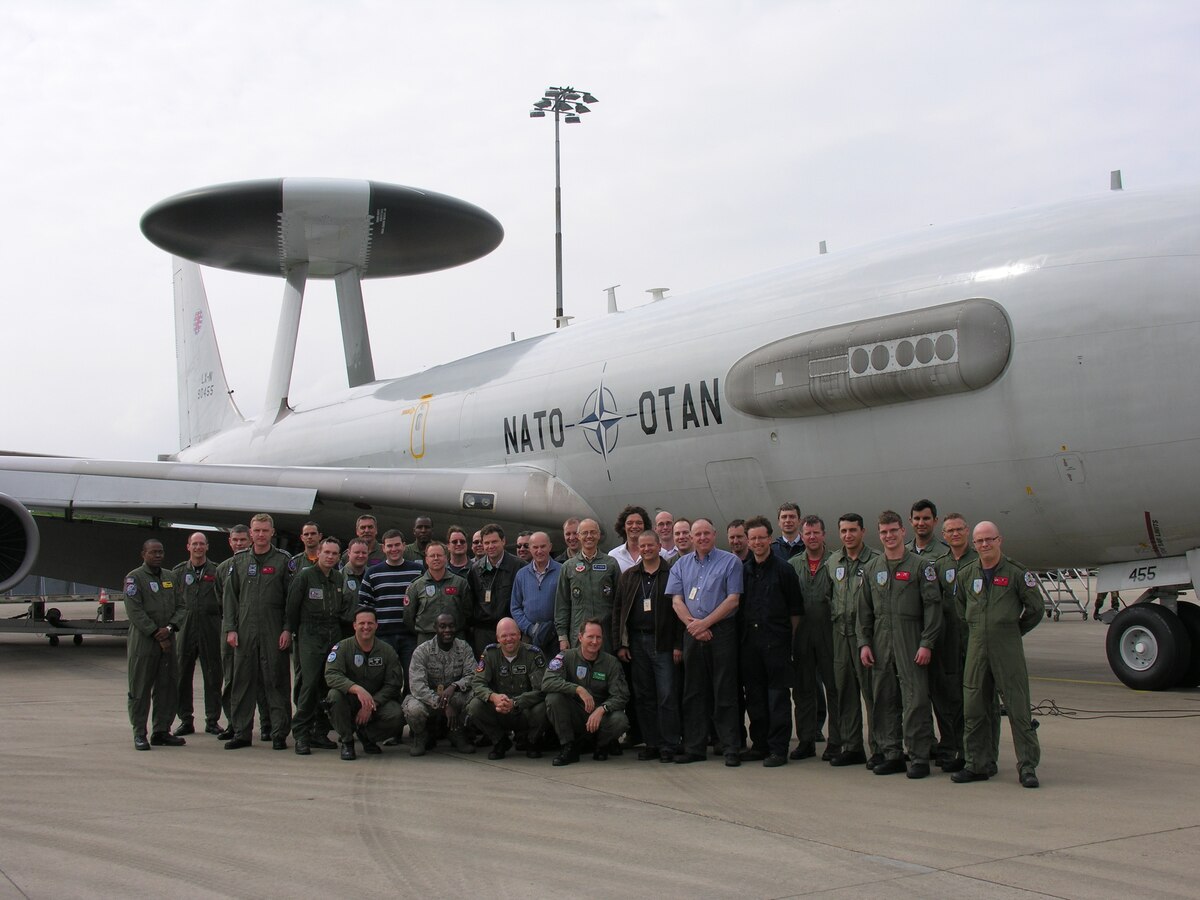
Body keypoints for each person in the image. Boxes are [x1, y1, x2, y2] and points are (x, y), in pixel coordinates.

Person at [952, 522, 1044, 788]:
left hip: (1007, 650)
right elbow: (961, 609)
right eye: (979, 541)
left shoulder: (1016, 573)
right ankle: (976, 764)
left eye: (988, 540)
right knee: (974, 708)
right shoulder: (968, 574)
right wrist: (981, 629)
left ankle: (1027, 766)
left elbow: (1035, 609)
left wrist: (1011, 631)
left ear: (999, 540)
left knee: (1017, 708)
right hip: (977, 649)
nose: (984, 545)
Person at [858, 511, 943, 777]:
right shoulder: (872, 568)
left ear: (903, 531)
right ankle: (892, 753)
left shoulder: (920, 567)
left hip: (911, 639)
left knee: (915, 699)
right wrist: (864, 643)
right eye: (884, 532)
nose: (889, 536)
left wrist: (926, 642)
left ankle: (918, 756)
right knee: (884, 698)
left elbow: (933, 607)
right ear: (879, 534)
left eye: (893, 531)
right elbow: (864, 611)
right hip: (882, 641)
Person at [668, 518, 744, 766]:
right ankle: (695, 747)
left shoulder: (730, 562)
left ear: (714, 534)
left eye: (706, 533)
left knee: (725, 690)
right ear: (691, 537)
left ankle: (730, 746)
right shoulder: (681, 565)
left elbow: (733, 600)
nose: (702, 538)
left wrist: (706, 623)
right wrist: (694, 625)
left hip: (721, 632)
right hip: (692, 632)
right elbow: (676, 601)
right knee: (694, 692)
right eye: (697, 534)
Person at [222, 513, 294, 750]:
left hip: (274, 629)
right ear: (250, 533)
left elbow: (290, 601)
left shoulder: (283, 561)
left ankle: (278, 733)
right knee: (242, 682)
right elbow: (230, 598)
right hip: (244, 630)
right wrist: (230, 629)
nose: (261, 534)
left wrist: (287, 629)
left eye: (265, 530)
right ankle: (241, 732)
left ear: (272, 532)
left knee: (276, 681)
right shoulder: (239, 561)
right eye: (257, 530)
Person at [738, 517, 802, 767]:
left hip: (776, 643)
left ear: (769, 538)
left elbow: (795, 611)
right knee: (754, 697)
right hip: (751, 644)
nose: (757, 542)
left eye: (761, 538)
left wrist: (787, 639)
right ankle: (760, 744)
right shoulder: (743, 571)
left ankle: (778, 748)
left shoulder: (784, 570)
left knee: (777, 698)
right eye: (752, 538)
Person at [615, 530, 682, 762]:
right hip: (636, 642)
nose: (645, 549)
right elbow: (619, 611)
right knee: (644, 696)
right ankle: (651, 742)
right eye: (642, 546)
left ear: (658, 546)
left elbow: (679, 612)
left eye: (650, 545)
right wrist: (621, 644)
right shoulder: (630, 576)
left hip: (662, 642)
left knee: (666, 695)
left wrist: (677, 644)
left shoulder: (672, 573)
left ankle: (669, 744)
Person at [287, 538, 353, 754]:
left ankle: (320, 732)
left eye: (335, 554)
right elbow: (292, 608)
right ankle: (302, 734)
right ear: (319, 553)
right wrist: (291, 631)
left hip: (332, 633)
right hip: (310, 633)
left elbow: (343, 608)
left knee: (329, 684)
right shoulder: (305, 576)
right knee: (309, 684)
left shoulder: (338, 578)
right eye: (327, 552)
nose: (331, 557)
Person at [825, 514, 880, 768]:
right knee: (845, 692)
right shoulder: (833, 560)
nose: (848, 535)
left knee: (873, 693)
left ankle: (880, 747)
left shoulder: (875, 560)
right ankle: (852, 746)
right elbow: (829, 595)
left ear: (863, 531)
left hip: (865, 636)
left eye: (853, 530)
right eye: (844, 531)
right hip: (840, 635)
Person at [124, 539, 186, 750]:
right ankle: (139, 732)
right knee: (140, 687)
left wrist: (169, 629)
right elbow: (134, 611)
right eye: (153, 552)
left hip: (168, 639)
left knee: (167, 687)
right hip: (144, 642)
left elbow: (182, 606)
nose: (158, 555)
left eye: (160, 552)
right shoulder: (134, 578)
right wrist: (155, 632)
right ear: (144, 554)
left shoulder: (171, 577)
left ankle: (162, 730)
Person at [542, 619, 631, 766]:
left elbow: (621, 695)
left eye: (598, 637)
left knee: (620, 720)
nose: (594, 642)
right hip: (576, 713)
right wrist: (577, 689)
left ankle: (601, 745)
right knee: (553, 698)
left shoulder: (611, 663)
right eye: (590, 637)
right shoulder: (566, 657)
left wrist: (602, 709)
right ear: (580, 637)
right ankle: (568, 746)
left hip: (599, 716)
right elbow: (547, 682)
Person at [324, 607, 405, 759]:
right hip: (349, 700)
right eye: (362, 623)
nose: (366, 627)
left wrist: (372, 703)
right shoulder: (342, 648)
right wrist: (356, 689)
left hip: (376, 703)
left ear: (376, 625)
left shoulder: (387, 651)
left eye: (370, 623)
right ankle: (347, 742)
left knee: (398, 714)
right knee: (333, 696)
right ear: (354, 625)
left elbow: (394, 684)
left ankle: (367, 736)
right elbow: (331, 675)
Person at [929, 513, 977, 772]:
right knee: (947, 698)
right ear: (944, 535)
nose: (955, 534)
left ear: (966, 531)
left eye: (959, 529)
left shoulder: (979, 562)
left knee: (975, 699)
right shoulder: (939, 565)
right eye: (951, 531)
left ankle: (975, 752)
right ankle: (950, 747)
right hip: (948, 641)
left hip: (973, 640)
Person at [790, 515, 839, 761]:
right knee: (803, 690)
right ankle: (806, 740)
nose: (811, 537)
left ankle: (836, 741)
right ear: (802, 536)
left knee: (834, 688)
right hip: (802, 634)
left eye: (816, 533)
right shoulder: (793, 564)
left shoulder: (836, 562)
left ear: (823, 534)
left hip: (829, 633)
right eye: (807, 533)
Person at [216, 526, 272, 741]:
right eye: (235, 540)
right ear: (230, 542)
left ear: (249, 540)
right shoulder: (223, 568)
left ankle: (266, 723)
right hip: (233, 633)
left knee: (261, 680)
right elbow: (223, 600)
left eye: (242, 540)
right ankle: (234, 723)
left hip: (257, 630)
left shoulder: (253, 563)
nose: (239, 544)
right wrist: (231, 627)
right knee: (233, 680)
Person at [466, 617, 548, 759]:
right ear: (497, 638)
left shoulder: (533, 654)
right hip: (500, 709)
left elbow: (541, 690)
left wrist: (515, 702)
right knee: (474, 706)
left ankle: (532, 741)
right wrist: (494, 697)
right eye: (504, 636)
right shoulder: (490, 654)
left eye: (512, 635)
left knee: (545, 706)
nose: (508, 639)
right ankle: (500, 741)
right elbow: (477, 683)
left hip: (525, 710)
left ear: (519, 635)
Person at [402, 614, 478, 756]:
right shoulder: (422, 651)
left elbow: (473, 675)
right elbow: (417, 686)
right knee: (413, 709)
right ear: (435, 628)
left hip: (454, 697)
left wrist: (454, 686)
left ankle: (456, 732)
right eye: (442, 626)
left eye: (451, 626)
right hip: (428, 700)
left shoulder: (464, 647)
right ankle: (421, 736)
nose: (447, 630)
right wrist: (442, 703)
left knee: (476, 699)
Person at [172, 532, 222, 737]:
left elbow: (224, 598)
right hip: (185, 628)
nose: (198, 548)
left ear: (207, 547)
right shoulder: (178, 572)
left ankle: (212, 720)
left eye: (202, 544)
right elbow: (172, 601)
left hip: (210, 628)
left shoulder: (217, 571)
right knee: (182, 675)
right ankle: (185, 719)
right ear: (188, 547)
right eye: (195, 544)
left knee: (213, 675)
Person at [358, 529, 423, 681]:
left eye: (397, 545)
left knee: (412, 678)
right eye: (390, 546)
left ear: (404, 546)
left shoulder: (417, 571)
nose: (394, 549)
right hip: (383, 636)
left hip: (410, 636)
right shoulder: (372, 573)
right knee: (386, 678)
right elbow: (364, 605)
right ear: (383, 548)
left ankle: (410, 705)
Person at [554, 518, 620, 652]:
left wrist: (620, 638)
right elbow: (562, 604)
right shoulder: (568, 567)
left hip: (605, 635)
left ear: (599, 535)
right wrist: (562, 637)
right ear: (578, 536)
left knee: (606, 669)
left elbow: (619, 602)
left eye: (593, 532)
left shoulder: (611, 564)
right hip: (578, 635)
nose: (589, 536)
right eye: (585, 533)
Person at [470, 524, 524, 656]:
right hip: (484, 632)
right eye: (486, 543)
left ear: (503, 541)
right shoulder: (475, 569)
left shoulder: (519, 567)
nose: (490, 546)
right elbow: (471, 602)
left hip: (510, 632)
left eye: (494, 542)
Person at [404, 541, 472, 643]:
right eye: (432, 556)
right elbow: (408, 617)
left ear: (446, 558)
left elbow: (468, 612)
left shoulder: (460, 583)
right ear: (426, 560)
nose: (436, 558)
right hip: (426, 639)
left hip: (455, 637)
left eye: (439, 555)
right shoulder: (416, 586)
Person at [511, 531, 562, 655]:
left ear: (550, 547)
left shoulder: (562, 571)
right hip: (529, 637)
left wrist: (557, 630)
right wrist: (530, 629)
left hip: (555, 637)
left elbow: (567, 605)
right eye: (535, 547)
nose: (539, 551)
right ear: (530, 549)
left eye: (543, 546)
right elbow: (515, 607)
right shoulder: (521, 574)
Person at [609, 505, 651, 573]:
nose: (634, 526)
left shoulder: (660, 553)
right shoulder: (613, 556)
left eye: (639, 523)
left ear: (645, 526)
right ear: (623, 527)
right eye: (629, 523)